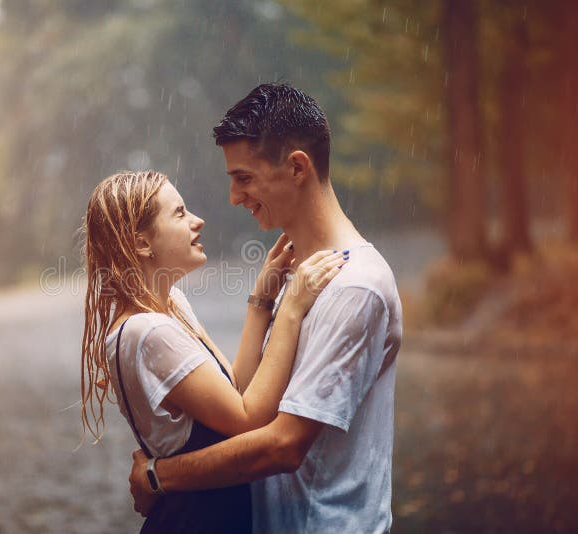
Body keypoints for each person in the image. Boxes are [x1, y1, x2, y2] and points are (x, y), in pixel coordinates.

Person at [128, 83, 403, 533]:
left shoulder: (357, 287)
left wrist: (159, 476)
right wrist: (261, 303)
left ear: (297, 167)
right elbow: (247, 407)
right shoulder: (300, 276)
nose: (234, 198)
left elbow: (284, 445)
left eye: (244, 178)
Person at [81, 169, 348, 533]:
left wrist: (262, 299)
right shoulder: (147, 331)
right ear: (142, 243)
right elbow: (248, 418)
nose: (197, 221)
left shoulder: (171, 305)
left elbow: (235, 391)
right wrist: (292, 308)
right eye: (179, 213)